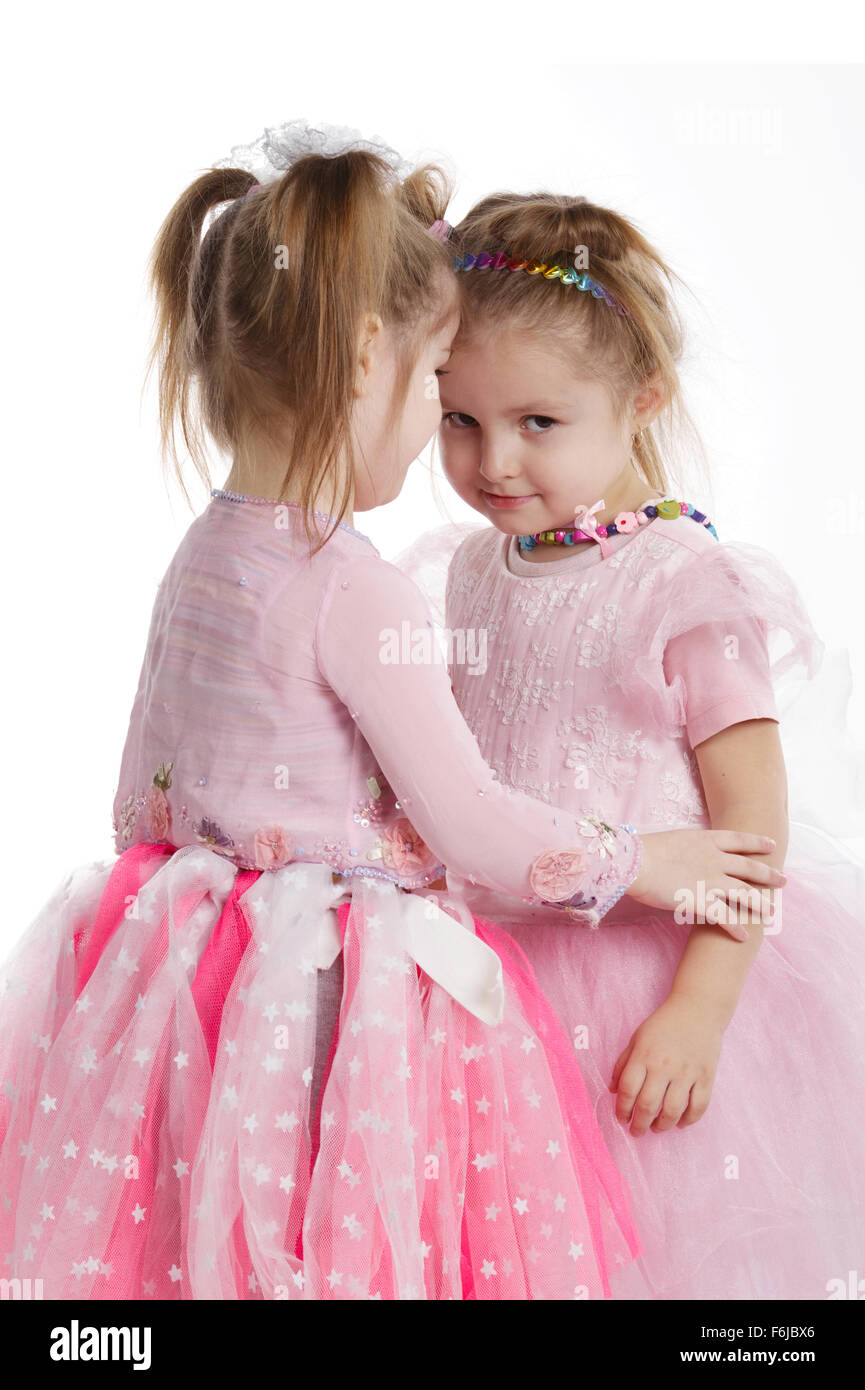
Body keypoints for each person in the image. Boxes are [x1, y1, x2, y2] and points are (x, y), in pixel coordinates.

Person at [0, 126, 781, 1301]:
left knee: (225, 1244)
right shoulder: (355, 580)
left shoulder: (209, 547)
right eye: (439, 393)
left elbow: (143, 791)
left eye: (523, 420)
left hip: (200, 965)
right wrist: (642, 860)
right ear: (369, 355)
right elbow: (466, 822)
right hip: (319, 985)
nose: (454, 445)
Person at [406, 188, 865, 1299]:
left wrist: (699, 1011)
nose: (494, 462)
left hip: (637, 983)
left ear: (641, 395)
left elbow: (751, 830)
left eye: (538, 423)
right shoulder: (469, 569)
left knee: (641, 1254)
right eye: (459, 420)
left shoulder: (683, 584)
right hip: (485, 975)